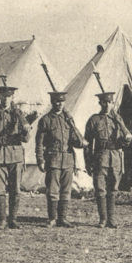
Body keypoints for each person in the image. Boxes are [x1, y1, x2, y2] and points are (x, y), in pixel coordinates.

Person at [0, 84, 30, 229]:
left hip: (15, 155)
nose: (6, 99)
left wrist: (26, 130)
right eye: (3, 96)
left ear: (13, 97)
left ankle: (13, 219)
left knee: (15, 189)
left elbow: (26, 139)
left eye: (9, 96)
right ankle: (2, 219)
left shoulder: (20, 115)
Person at [84, 88, 132, 227]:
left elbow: (126, 140)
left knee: (113, 189)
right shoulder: (94, 120)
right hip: (100, 157)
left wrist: (126, 139)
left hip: (116, 157)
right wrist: (88, 162)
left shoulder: (118, 120)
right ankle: (103, 219)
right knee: (100, 189)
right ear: (100, 103)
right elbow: (87, 144)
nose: (107, 105)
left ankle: (111, 219)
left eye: (110, 102)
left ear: (113, 104)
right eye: (104, 102)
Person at [36, 91, 84, 227]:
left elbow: (77, 141)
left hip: (68, 159)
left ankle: (62, 218)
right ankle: (52, 218)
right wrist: (40, 159)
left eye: (62, 102)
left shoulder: (68, 119)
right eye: (57, 101)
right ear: (52, 102)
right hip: (53, 158)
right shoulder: (46, 120)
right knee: (52, 190)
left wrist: (79, 138)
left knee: (66, 190)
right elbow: (39, 142)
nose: (60, 104)